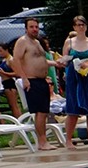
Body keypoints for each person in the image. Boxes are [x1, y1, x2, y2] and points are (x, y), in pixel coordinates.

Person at [10, 18, 56, 150]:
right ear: (26, 28)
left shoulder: (37, 42)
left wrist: (56, 63)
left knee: (44, 112)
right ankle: (42, 142)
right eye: (31, 27)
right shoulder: (22, 41)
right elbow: (15, 60)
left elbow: (41, 61)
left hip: (42, 81)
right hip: (32, 81)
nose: (35, 29)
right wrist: (24, 78)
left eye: (36, 27)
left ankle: (43, 141)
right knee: (40, 112)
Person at [58, 15, 88, 148]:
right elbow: (65, 60)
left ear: (86, 26)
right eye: (78, 25)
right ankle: (68, 140)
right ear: (74, 27)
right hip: (74, 78)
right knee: (73, 109)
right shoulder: (69, 42)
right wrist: (61, 61)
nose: (81, 27)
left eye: (83, 24)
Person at [0, 42, 22, 118]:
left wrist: (4, 73)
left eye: (1, 51)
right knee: (11, 105)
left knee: (14, 105)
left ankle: (19, 119)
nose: (0, 53)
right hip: (5, 83)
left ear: (6, 50)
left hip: (10, 84)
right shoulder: (4, 60)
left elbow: (17, 73)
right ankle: (16, 119)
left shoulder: (11, 60)